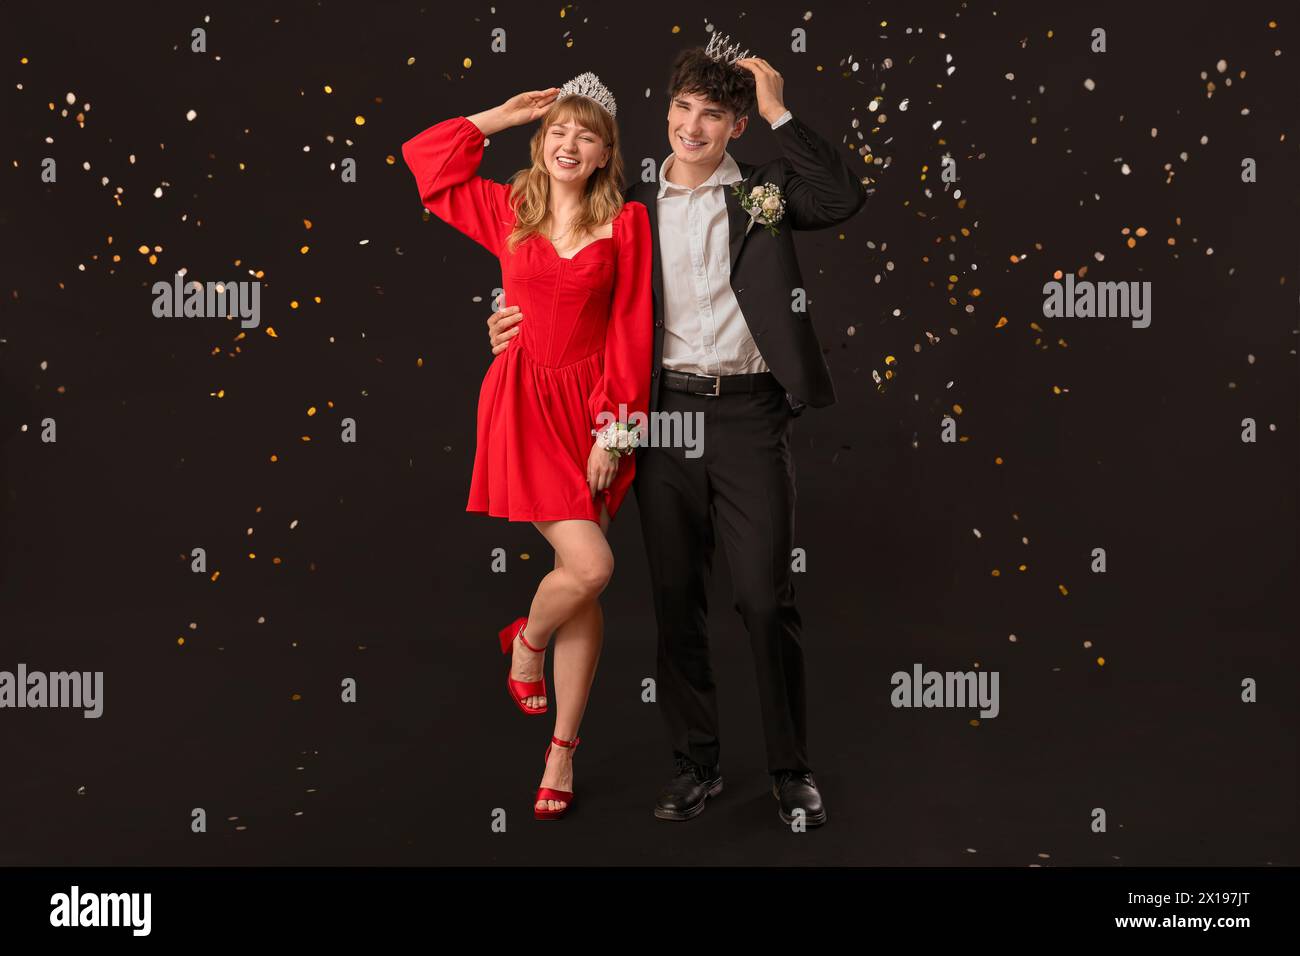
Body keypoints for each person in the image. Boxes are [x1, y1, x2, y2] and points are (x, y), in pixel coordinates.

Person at [488, 39, 867, 827]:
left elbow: (840, 197)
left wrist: (777, 110)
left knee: (764, 598)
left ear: (734, 126)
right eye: (683, 109)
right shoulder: (628, 209)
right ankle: (695, 765)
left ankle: (790, 769)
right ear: (667, 113)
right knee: (675, 600)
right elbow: (568, 290)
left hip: (749, 413)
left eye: (715, 115)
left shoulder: (764, 191)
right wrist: (505, 327)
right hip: (658, 419)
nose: (693, 127)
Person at [401, 73, 653, 820]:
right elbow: (425, 161)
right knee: (591, 565)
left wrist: (617, 428)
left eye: (587, 135)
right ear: (541, 144)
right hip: (523, 402)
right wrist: (499, 117)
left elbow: (632, 327)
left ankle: (562, 751)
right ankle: (528, 639)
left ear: (607, 152)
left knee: (586, 580)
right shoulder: (509, 209)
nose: (570, 144)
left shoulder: (627, 224)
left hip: (594, 406)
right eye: (558, 133)